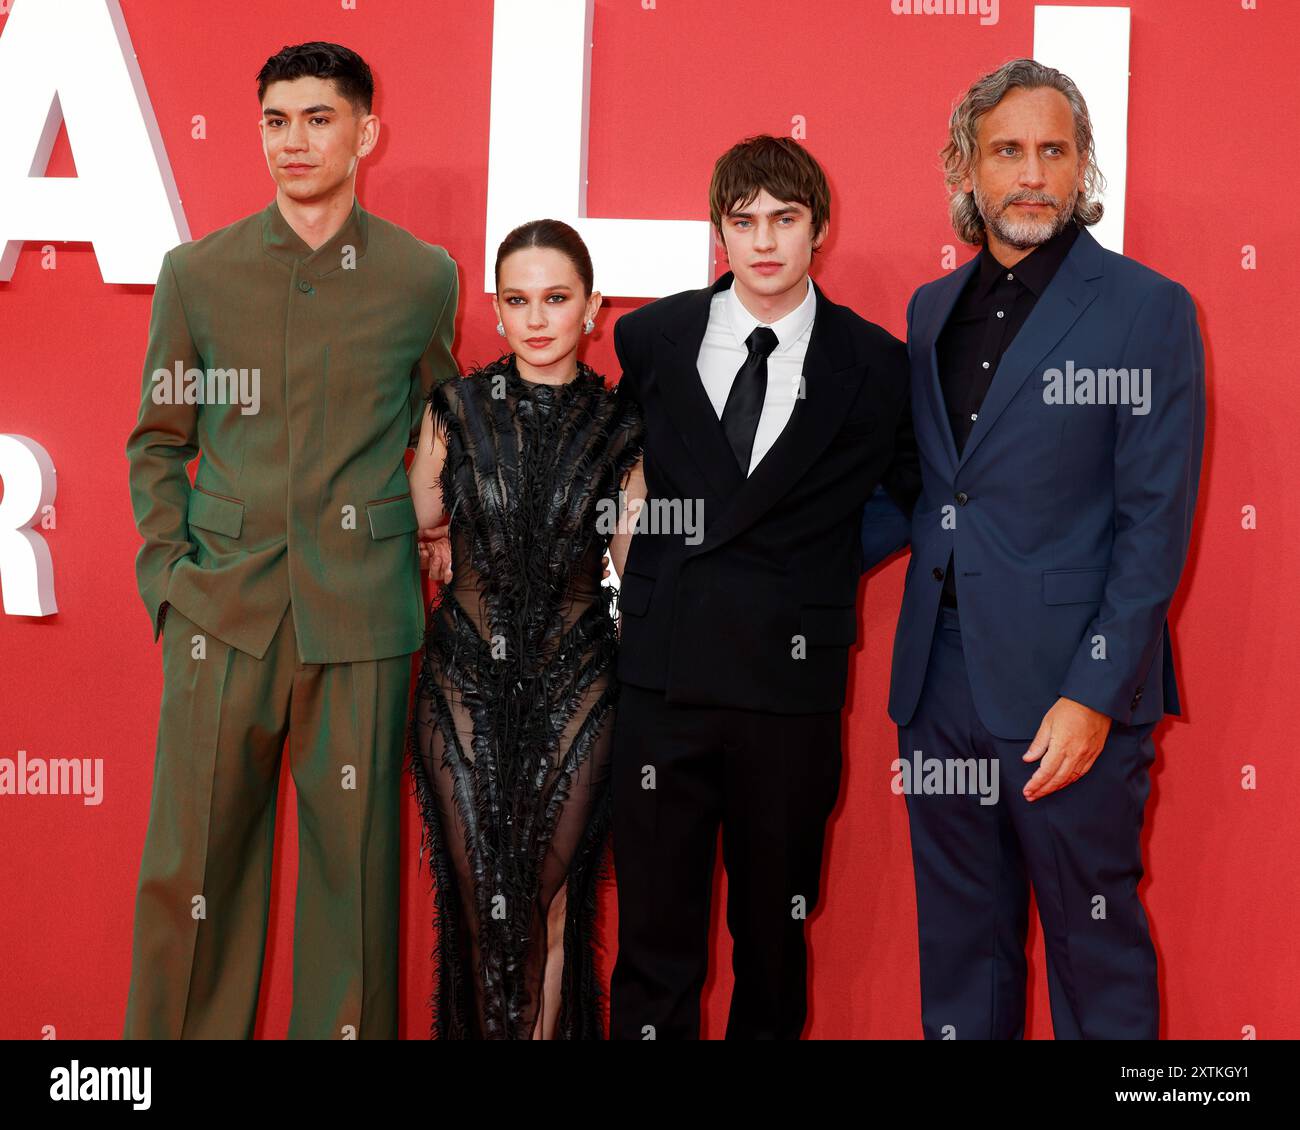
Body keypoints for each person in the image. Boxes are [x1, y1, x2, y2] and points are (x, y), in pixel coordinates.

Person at [123, 42, 459, 1039]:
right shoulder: (196, 273)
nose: (295, 141)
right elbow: (156, 441)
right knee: (191, 874)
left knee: (352, 883)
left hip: (364, 615)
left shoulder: (421, 277)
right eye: (277, 120)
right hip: (220, 615)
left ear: (366, 132)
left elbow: (439, 419)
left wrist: (431, 527)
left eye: (319, 118)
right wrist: (169, 581)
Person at [869, 58, 1205, 1039]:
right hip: (937, 690)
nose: (1030, 173)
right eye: (1005, 150)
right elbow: (929, 493)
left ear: (1082, 166)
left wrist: (1094, 693)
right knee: (961, 963)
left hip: (1069, 692)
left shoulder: (1147, 308)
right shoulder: (931, 310)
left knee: (1094, 959)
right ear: (964, 169)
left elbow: (1154, 525)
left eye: (1052, 150)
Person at [607, 135, 919, 1039]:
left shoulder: (875, 363)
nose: (765, 241)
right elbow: (618, 477)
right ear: (719, 231)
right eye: (744, 222)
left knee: (772, 948)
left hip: (790, 690)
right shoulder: (652, 337)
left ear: (819, 228)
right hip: (663, 679)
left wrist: (816, 560)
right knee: (655, 945)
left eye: (785, 219)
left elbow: (915, 496)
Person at [407, 219, 644, 1039]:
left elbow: (637, 564)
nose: (537, 318)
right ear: (496, 310)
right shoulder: (456, 410)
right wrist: (436, 539)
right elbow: (422, 515)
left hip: (577, 688)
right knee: (482, 909)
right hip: (462, 685)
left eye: (556, 298)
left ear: (592, 307)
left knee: (546, 903)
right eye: (518, 300)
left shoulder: (622, 428)